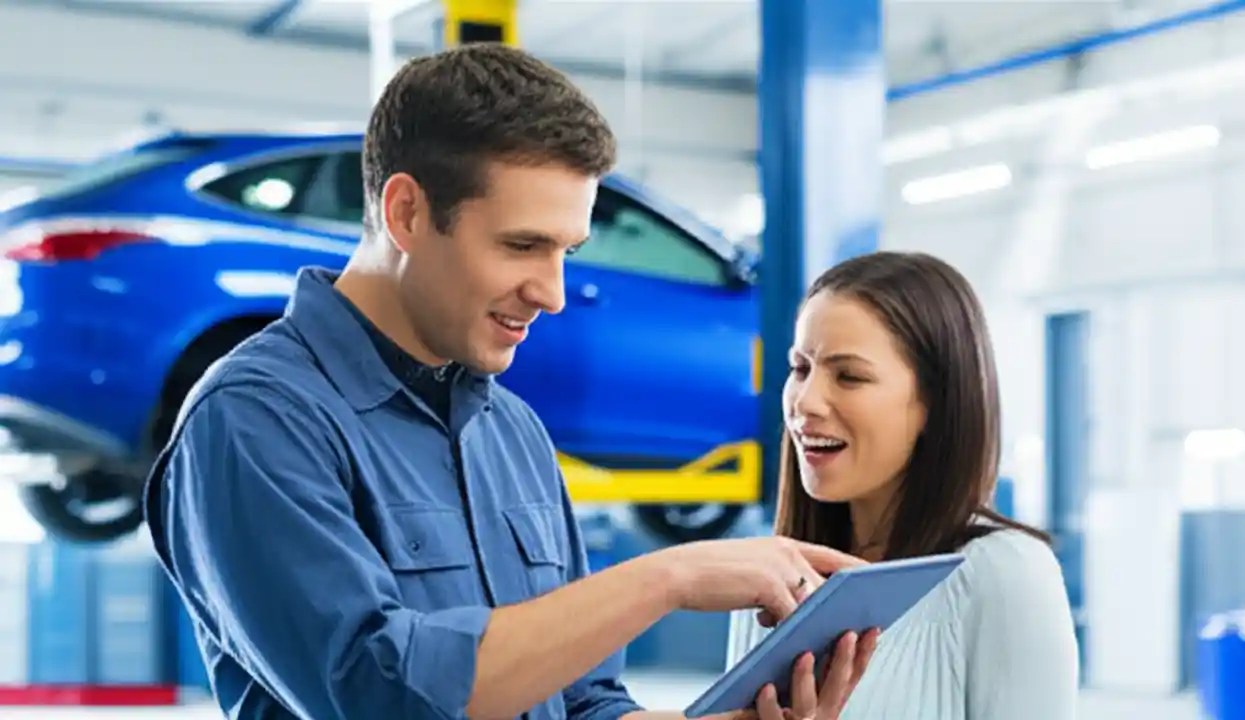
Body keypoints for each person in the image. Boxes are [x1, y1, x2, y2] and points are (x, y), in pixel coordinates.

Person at [142, 44, 878, 720]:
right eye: (522, 245)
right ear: (405, 212)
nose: (553, 292)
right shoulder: (252, 418)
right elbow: (378, 696)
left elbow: (585, 704)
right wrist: (668, 579)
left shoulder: (513, 431)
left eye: (566, 250)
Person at [725, 251, 1079, 719]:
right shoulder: (767, 580)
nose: (804, 402)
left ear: (935, 402)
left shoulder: (1002, 573)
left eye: (849, 376)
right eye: (801, 368)